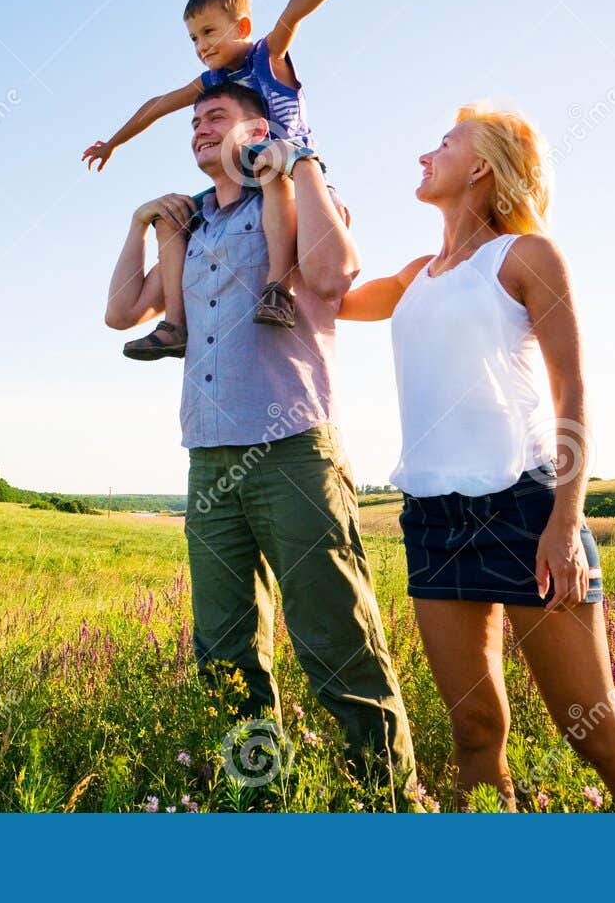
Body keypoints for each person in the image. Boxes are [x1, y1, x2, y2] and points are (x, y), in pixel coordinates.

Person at [338, 103, 615, 812]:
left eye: (443, 142)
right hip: (432, 519)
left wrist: (565, 522)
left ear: (481, 167)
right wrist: (307, 192)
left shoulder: (526, 257)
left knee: (595, 730)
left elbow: (573, 389)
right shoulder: (414, 277)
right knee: (474, 731)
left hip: (527, 511)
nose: (424, 155)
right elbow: (326, 297)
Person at [104, 81, 416, 799]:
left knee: (337, 640)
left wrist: (294, 163)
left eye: (214, 116)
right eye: (191, 123)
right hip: (207, 458)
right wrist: (139, 221)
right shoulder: (195, 227)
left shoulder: (297, 196)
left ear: (255, 128)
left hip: (293, 448)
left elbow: (337, 274)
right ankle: (259, 800)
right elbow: (121, 311)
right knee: (225, 654)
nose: (197, 130)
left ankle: (390, 803)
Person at [84, 0, 379, 356]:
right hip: (243, 179)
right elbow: (158, 104)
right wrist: (114, 142)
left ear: (241, 27)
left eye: (208, 32)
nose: (201, 46)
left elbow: (293, 10)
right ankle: (175, 326)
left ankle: (277, 286)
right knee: (174, 216)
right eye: (193, 39)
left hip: (289, 168)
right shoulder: (212, 83)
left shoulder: (266, 57)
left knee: (268, 168)